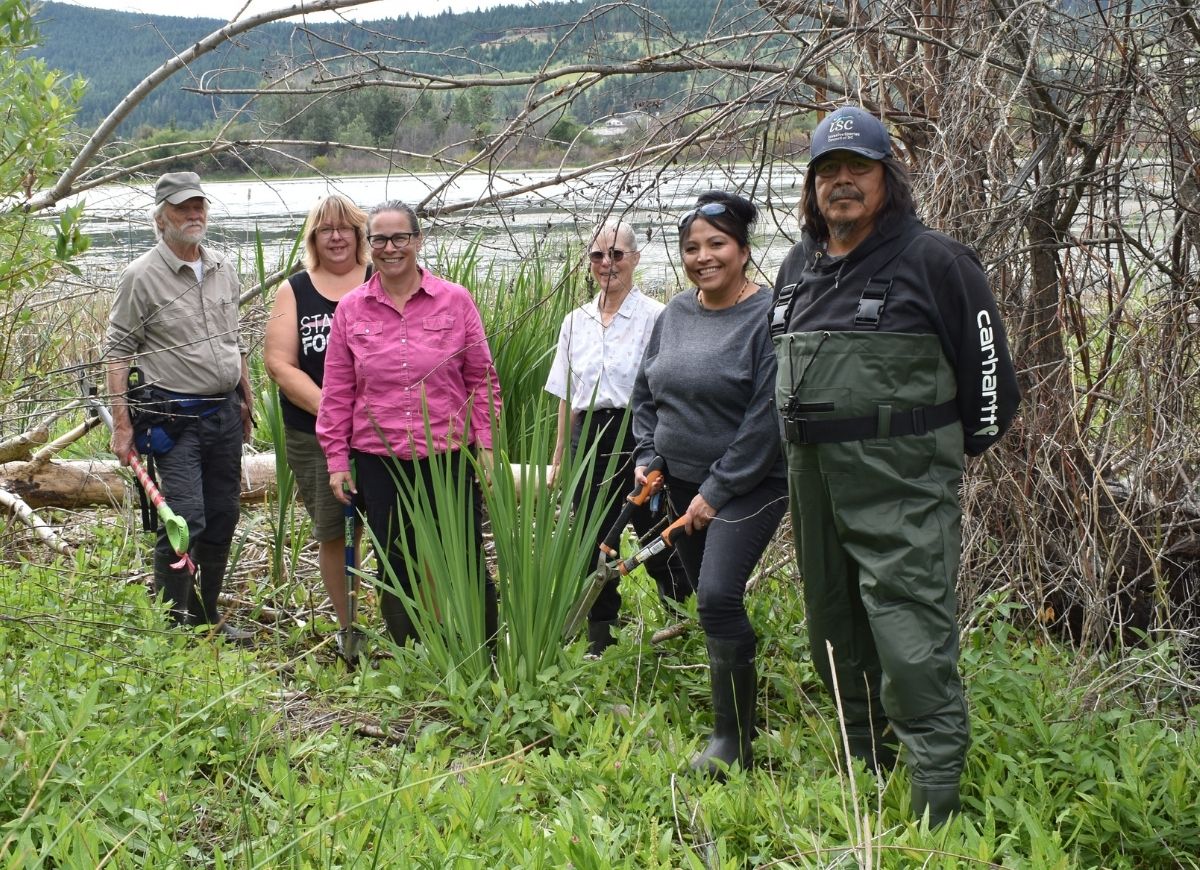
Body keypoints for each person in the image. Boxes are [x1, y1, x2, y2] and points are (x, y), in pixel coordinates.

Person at [771, 105, 1020, 826]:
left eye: (858, 169)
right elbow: (776, 382)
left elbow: (992, 383)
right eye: (828, 171)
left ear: (888, 177)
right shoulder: (796, 266)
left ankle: (935, 802)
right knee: (831, 630)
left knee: (911, 644)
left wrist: (939, 455)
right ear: (813, 186)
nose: (842, 182)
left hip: (902, 480)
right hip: (813, 481)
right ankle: (867, 769)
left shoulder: (935, 261)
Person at [631, 191, 787, 777]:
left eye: (716, 244)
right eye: (691, 247)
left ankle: (733, 741)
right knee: (710, 601)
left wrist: (716, 491)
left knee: (718, 595)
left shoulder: (769, 317)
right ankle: (742, 700)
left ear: (743, 250)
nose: (703, 256)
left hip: (751, 483)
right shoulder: (674, 313)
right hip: (680, 482)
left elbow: (765, 418)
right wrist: (649, 456)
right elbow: (647, 393)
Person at [315, 200, 501, 648]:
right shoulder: (351, 310)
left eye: (400, 237)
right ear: (369, 246)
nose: (390, 248)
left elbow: (482, 379)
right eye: (379, 239)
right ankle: (411, 654)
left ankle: (486, 648)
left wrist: (488, 448)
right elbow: (338, 391)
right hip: (380, 461)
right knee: (394, 559)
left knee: (465, 556)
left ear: (418, 241)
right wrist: (338, 460)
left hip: (447, 455)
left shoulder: (455, 300)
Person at [104, 171, 255, 644]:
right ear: (161, 217)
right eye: (182, 208)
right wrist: (122, 427)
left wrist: (247, 400)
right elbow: (117, 352)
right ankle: (173, 628)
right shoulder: (141, 276)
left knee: (223, 515)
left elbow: (233, 342)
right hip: (175, 420)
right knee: (185, 519)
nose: (194, 215)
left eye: (199, 206)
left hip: (225, 415)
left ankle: (207, 618)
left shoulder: (222, 266)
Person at [545, 219, 694, 656]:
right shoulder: (576, 322)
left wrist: (660, 449)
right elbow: (567, 397)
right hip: (589, 438)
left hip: (641, 435)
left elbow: (668, 390)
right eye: (597, 255)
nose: (607, 263)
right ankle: (600, 637)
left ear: (635, 258)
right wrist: (560, 459)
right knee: (592, 539)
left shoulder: (657, 316)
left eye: (617, 254)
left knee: (656, 531)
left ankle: (684, 615)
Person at [264, 194, 370, 657]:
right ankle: (349, 627)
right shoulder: (295, 290)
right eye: (326, 229)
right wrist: (334, 410)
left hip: (381, 434)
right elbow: (280, 365)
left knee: (393, 528)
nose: (336, 236)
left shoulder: (379, 280)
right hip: (314, 435)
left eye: (345, 227)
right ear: (313, 238)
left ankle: (405, 617)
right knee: (333, 530)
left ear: (359, 234)